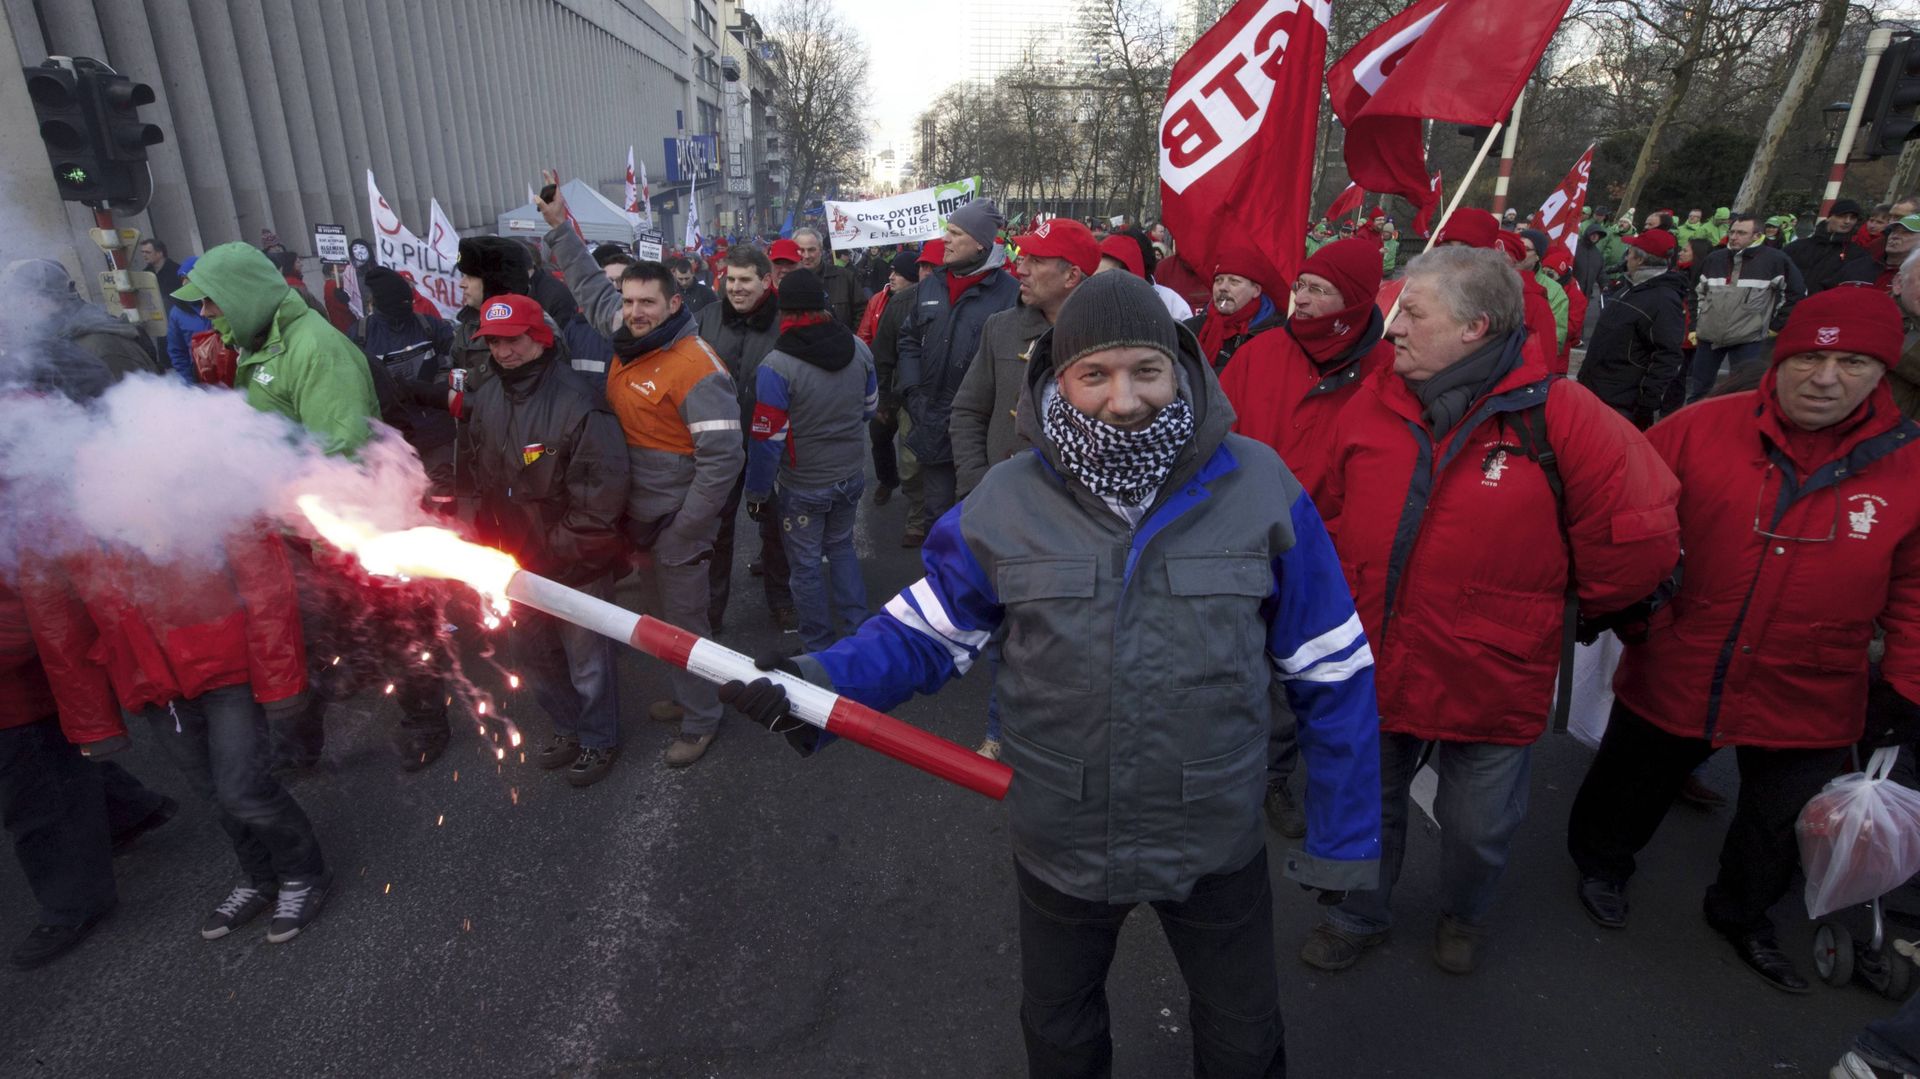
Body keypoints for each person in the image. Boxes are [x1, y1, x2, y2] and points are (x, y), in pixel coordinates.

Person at [722, 271, 1383, 1078]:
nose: (1124, 398)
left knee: (1245, 1039)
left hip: (1214, 835)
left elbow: (1334, 672)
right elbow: (925, 633)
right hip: (1062, 835)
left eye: (1146, 370)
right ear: (1059, 379)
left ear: (1182, 368)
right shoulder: (1006, 501)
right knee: (1061, 1035)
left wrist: (1344, 838)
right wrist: (817, 685)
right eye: (1095, 374)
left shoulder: (1261, 487)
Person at [1303, 246, 1680, 976]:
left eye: (1412, 311)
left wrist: (1574, 608)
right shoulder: (1375, 397)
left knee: (1478, 827)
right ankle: (1356, 911)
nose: (1394, 326)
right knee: (1363, 807)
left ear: (1475, 327)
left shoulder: (1561, 414)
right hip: (1373, 658)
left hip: (1492, 668)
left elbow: (1642, 535)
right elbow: (1325, 506)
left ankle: (1464, 911)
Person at [1567, 287, 1920, 994]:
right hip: (1683, 655)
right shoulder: (1698, 428)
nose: (1825, 377)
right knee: (1631, 782)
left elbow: (1915, 587)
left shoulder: (1910, 469)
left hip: (1813, 685)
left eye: (1852, 361)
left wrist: (1906, 687)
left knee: (1777, 823)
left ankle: (1741, 912)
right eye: (1810, 357)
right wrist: (1626, 606)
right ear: (1780, 356)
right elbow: (1622, 518)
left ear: (1884, 372)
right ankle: (1603, 864)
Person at [24, 531, 333, 945]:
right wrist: (92, 721)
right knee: (212, 792)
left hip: (226, 663)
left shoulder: (178, 467)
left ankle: (304, 874)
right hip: (150, 680)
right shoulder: (53, 507)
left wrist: (279, 674)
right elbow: (55, 618)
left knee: (243, 789)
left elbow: (260, 565)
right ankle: (261, 878)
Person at [546, 208, 743, 765]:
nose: (632, 312)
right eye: (628, 301)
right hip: (637, 520)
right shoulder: (627, 334)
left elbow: (722, 462)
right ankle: (687, 697)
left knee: (686, 625)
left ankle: (703, 719)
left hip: (677, 526)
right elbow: (586, 285)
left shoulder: (697, 368)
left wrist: (686, 532)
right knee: (657, 622)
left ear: (673, 305)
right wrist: (561, 226)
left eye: (646, 303)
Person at [1215, 237, 1394, 842]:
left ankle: (1297, 782)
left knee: (1309, 675)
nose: (1305, 300)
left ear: (1357, 301)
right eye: (1302, 287)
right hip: (1244, 539)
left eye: (1321, 291)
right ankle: (1251, 774)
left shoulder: (1387, 372)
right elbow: (1215, 438)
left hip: (1332, 556)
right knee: (1241, 666)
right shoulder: (1260, 354)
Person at [465, 294, 631, 786]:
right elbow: (474, 469)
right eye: (493, 341)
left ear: (539, 337)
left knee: (588, 661)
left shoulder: (579, 401)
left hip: (573, 561)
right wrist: (481, 538)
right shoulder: (488, 394)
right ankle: (567, 727)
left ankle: (599, 738)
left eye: (512, 339)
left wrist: (557, 551)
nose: (503, 351)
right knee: (532, 652)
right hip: (513, 561)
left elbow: (601, 496)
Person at [744, 269, 876, 652]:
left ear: (784, 312)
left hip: (804, 483)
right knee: (841, 547)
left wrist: (756, 491)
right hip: (850, 472)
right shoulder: (859, 348)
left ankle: (818, 646)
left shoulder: (775, 366)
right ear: (824, 305)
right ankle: (858, 635)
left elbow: (768, 441)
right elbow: (870, 408)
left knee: (804, 565)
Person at [952, 218, 1098, 500]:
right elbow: (968, 412)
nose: (1020, 269)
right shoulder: (1000, 327)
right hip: (1000, 500)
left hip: (1078, 511)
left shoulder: (1108, 336)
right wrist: (977, 485)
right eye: (1023, 257)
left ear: (1071, 276)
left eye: (1036, 261)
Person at [895, 199, 1020, 530]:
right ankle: (940, 581)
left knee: (978, 521)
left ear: (979, 243)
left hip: (980, 433)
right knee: (938, 520)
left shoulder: (1011, 294)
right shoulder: (932, 284)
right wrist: (911, 390)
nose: (944, 240)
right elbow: (908, 339)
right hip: (932, 422)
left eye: (954, 232)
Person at [697, 245, 799, 635]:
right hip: (718, 445)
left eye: (745, 280)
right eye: (730, 280)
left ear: (766, 281)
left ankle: (781, 600)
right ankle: (712, 609)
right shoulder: (705, 318)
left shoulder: (784, 323)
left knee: (776, 527)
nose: (735, 288)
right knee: (717, 530)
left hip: (771, 445)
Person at [352, 266, 458, 506]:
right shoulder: (360, 335)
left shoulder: (429, 326)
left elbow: (462, 353)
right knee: (403, 500)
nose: (405, 306)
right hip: (391, 436)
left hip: (435, 431)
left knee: (443, 497)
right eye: (399, 302)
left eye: (408, 301)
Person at [1687, 212, 1805, 401]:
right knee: (1699, 390)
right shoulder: (1715, 258)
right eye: (1732, 231)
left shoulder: (1775, 260)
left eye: (1741, 233)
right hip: (1709, 336)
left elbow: (1795, 293)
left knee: (1740, 393)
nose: (1734, 237)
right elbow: (1696, 292)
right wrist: (1695, 325)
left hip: (1748, 338)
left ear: (1757, 236)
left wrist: (1776, 326)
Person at [1578, 229, 1689, 429]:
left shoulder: (1663, 300)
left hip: (1622, 401)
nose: (1626, 256)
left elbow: (1667, 356)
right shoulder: (1631, 287)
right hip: (1597, 389)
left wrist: (1646, 403)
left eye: (1630, 251)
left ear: (1639, 259)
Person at [1433, 209, 1566, 374]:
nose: (1453, 256)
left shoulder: (1527, 302)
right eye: (1446, 247)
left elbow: (1541, 367)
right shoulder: (1426, 291)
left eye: (1466, 248)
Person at [5, 258, 164, 388]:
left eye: (14, 300)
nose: (12, 311)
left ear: (33, 300)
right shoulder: (65, 338)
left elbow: (132, 414)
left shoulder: (98, 344)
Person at [873, 242, 941, 541]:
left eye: (933, 267)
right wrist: (885, 399)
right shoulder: (901, 303)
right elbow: (884, 354)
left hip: (954, 397)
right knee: (911, 463)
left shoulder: (970, 302)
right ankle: (917, 512)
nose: (926, 272)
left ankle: (936, 518)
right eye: (922, 266)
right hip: (911, 399)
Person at [1184, 239, 1284, 372]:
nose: (1223, 288)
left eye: (1234, 281)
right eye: (1218, 280)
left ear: (1256, 290)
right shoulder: (1190, 330)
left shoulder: (1275, 336)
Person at [1786, 200, 1878, 293]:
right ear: (1830, 217)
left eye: (1852, 218)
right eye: (1842, 216)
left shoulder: (1857, 255)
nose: (1847, 221)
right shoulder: (1798, 246)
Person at [1096, 232, 1191, 319]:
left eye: (1109, 277)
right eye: (1095, 278)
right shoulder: (1087, 307)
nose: (1099, 284)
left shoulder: (1171, 303)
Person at [792, 227, 866, 329]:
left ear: (821, 250)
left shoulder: (845, 277)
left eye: (811, 249)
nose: (806, 255)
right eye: (801, 250)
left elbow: (862, 313)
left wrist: (851, 339)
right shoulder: (786, 282)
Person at [163, 255, 212, 384]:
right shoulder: (177, 312)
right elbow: (177, 351)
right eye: (182, 278)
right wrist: (190, 384)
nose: (185, 283)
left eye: (189, 278)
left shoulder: (221, 304)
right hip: (199, 378)